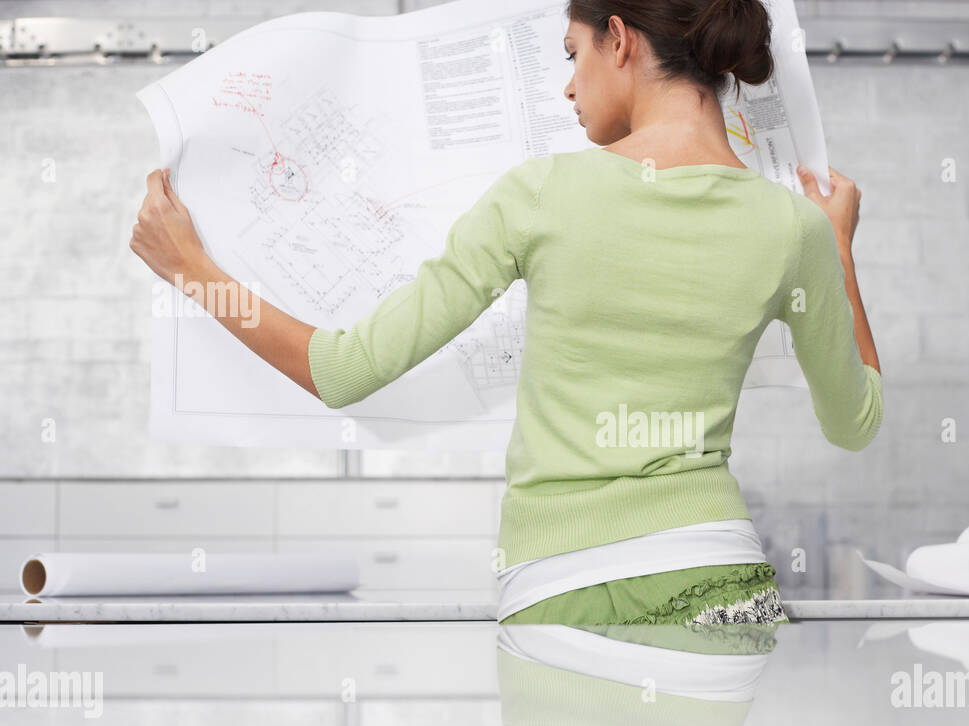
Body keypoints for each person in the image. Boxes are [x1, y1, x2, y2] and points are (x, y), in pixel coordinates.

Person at [128, 0, 882, 630]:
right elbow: (855, 422)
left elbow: (343, 370)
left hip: (565, 587)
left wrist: (189, 267)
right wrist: (840, 253)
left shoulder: (541, 194)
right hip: (720, 584)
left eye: (570, 54)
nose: (565, 89)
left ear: (619, 39)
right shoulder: (794, 229)